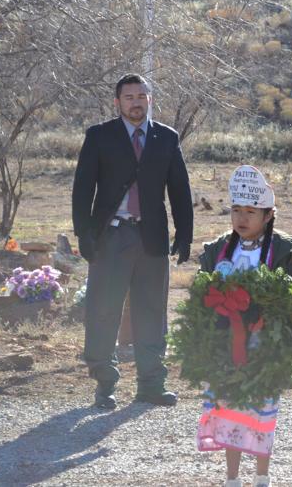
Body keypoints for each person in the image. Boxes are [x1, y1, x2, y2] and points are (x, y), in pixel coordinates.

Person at [71, 73, 193, 408]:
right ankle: (105, 384)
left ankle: (151, 384)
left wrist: (184, 234)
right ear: (118, 102)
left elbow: (179, 189)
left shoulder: (166, 137)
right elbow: (83, 188)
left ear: (149, 99)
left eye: (141, 96)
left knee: (152, 312)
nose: (136, 102)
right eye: (129, 97)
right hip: (111, 235)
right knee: (103, 309)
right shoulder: (100, 136)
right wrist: (84, 233)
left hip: (151, 237)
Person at [197, 165, 292, 487]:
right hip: (226, 346)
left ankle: (262, 476)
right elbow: (201, 290)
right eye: (236, 210)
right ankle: (232, 478)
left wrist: (264, 314)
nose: (242, 218)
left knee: (262, 411)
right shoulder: (219, 249)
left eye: (251, 212)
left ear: (268, 215)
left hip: (264, 347)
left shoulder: (285, 251)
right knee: (229, 409)